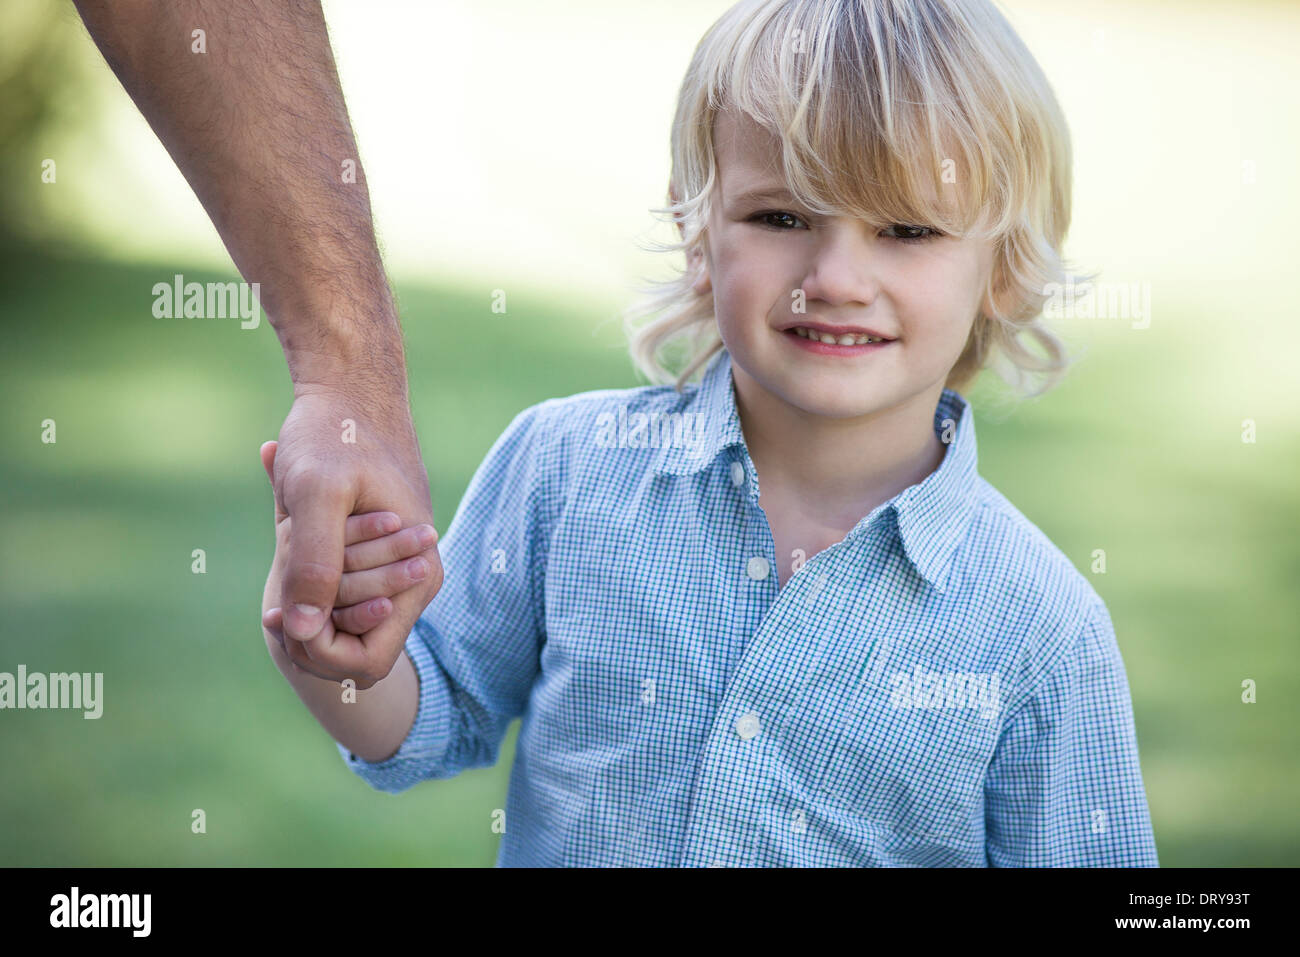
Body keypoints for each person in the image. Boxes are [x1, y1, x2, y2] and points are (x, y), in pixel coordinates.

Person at [263, 0, 1159, 866]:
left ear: (1001, 268)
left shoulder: (1042, 627)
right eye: (782, 218)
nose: (837, 276)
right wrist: (333, 640)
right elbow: (428, 715)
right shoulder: (566, 473)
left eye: (906, 230)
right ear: (699, 228)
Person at [72, 0, 443, 688]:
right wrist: (308, 609)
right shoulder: (563, 469)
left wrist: (348, 379)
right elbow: (428, 712)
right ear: (690, 243)